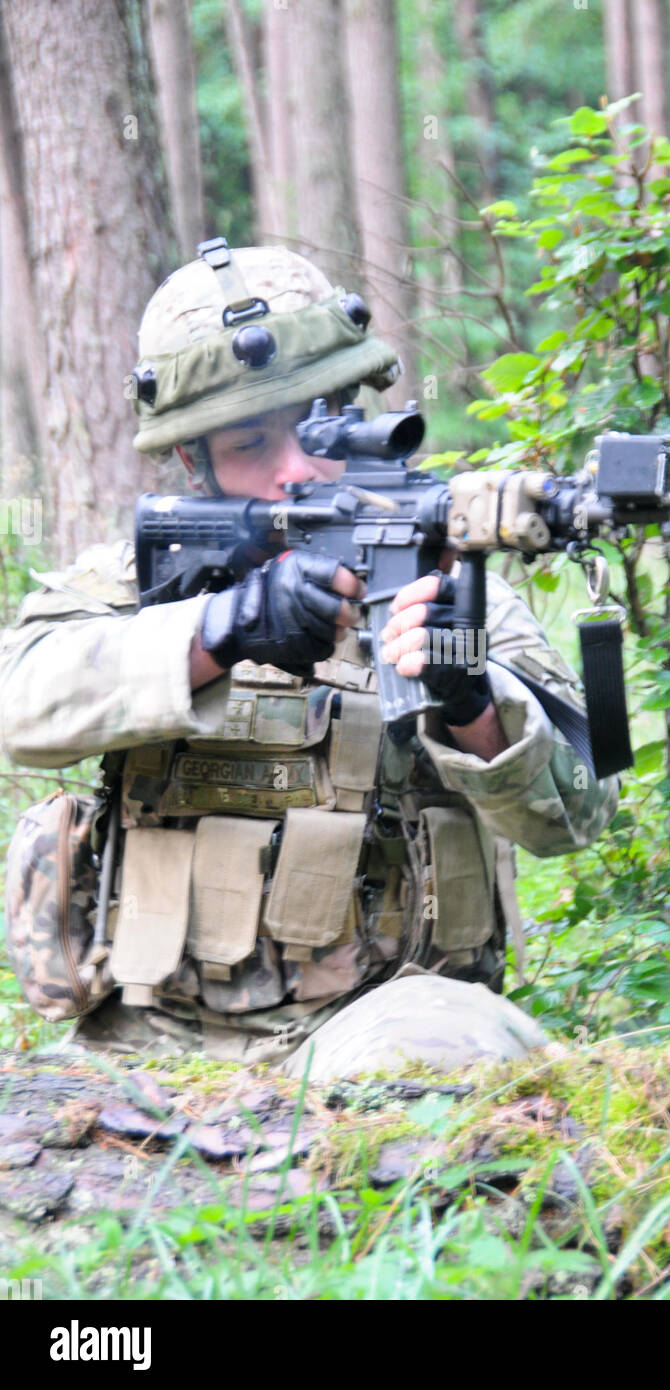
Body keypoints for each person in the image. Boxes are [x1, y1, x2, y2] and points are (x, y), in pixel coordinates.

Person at [0, 241, 619, 1079]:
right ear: (193, 459)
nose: (295, 469)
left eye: (320, 425)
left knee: (446, 1051)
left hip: (383, 1023)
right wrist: (225, 628)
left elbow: (573, 823)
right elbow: (19, 705)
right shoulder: (130, 588)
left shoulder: (450, 589)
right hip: (147, 1049)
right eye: (251, 443)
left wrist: (469, 698)